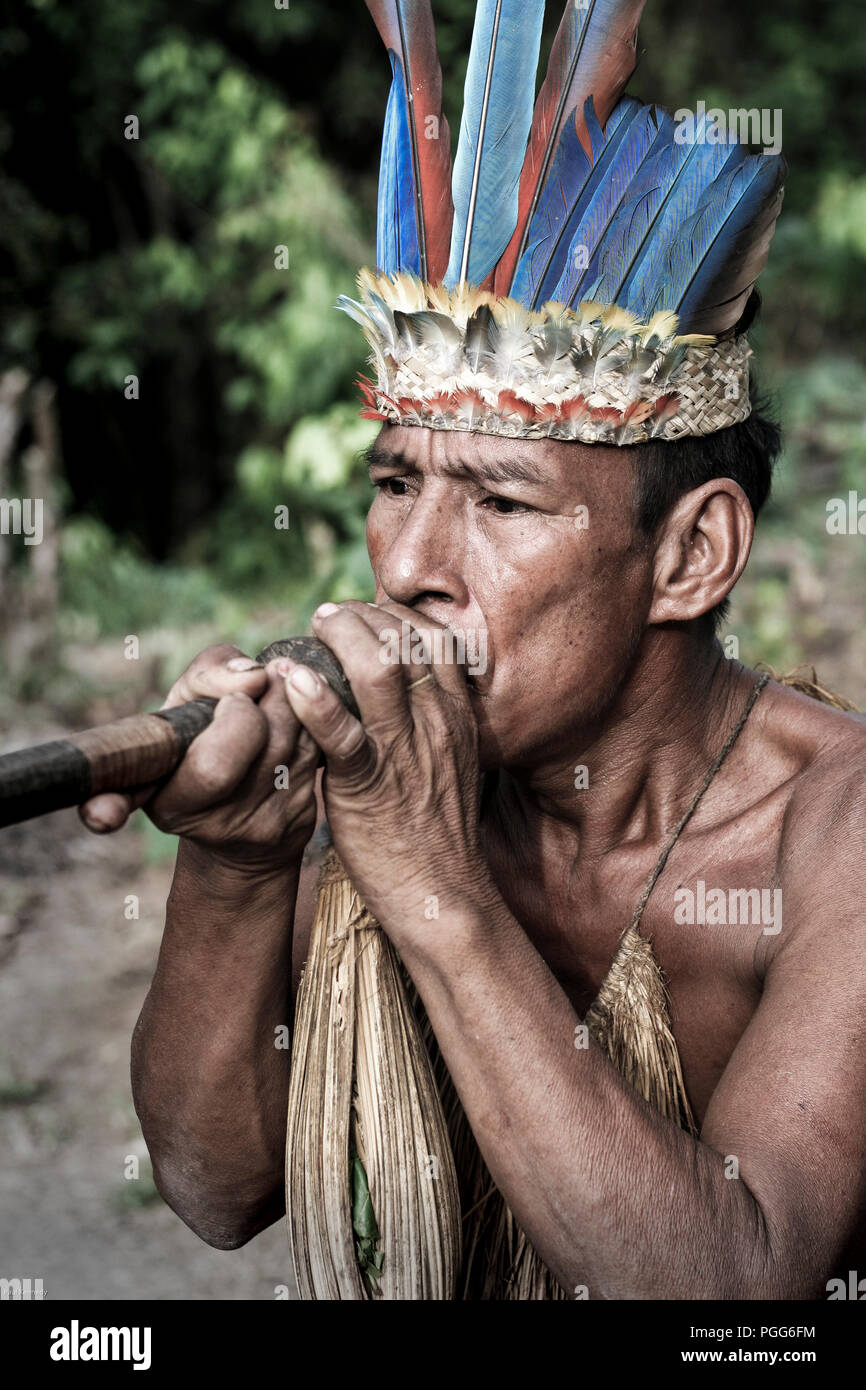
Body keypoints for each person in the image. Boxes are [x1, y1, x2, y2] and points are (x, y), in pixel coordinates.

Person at [79, 0, 866, 1299]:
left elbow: (734, 1288)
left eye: (499, 503)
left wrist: (436, 896)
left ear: (690, 556)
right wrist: (232, 864)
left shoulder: (836, 828)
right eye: (395, 484)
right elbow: (218, 1191)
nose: (406, 566)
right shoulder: (390, 769)